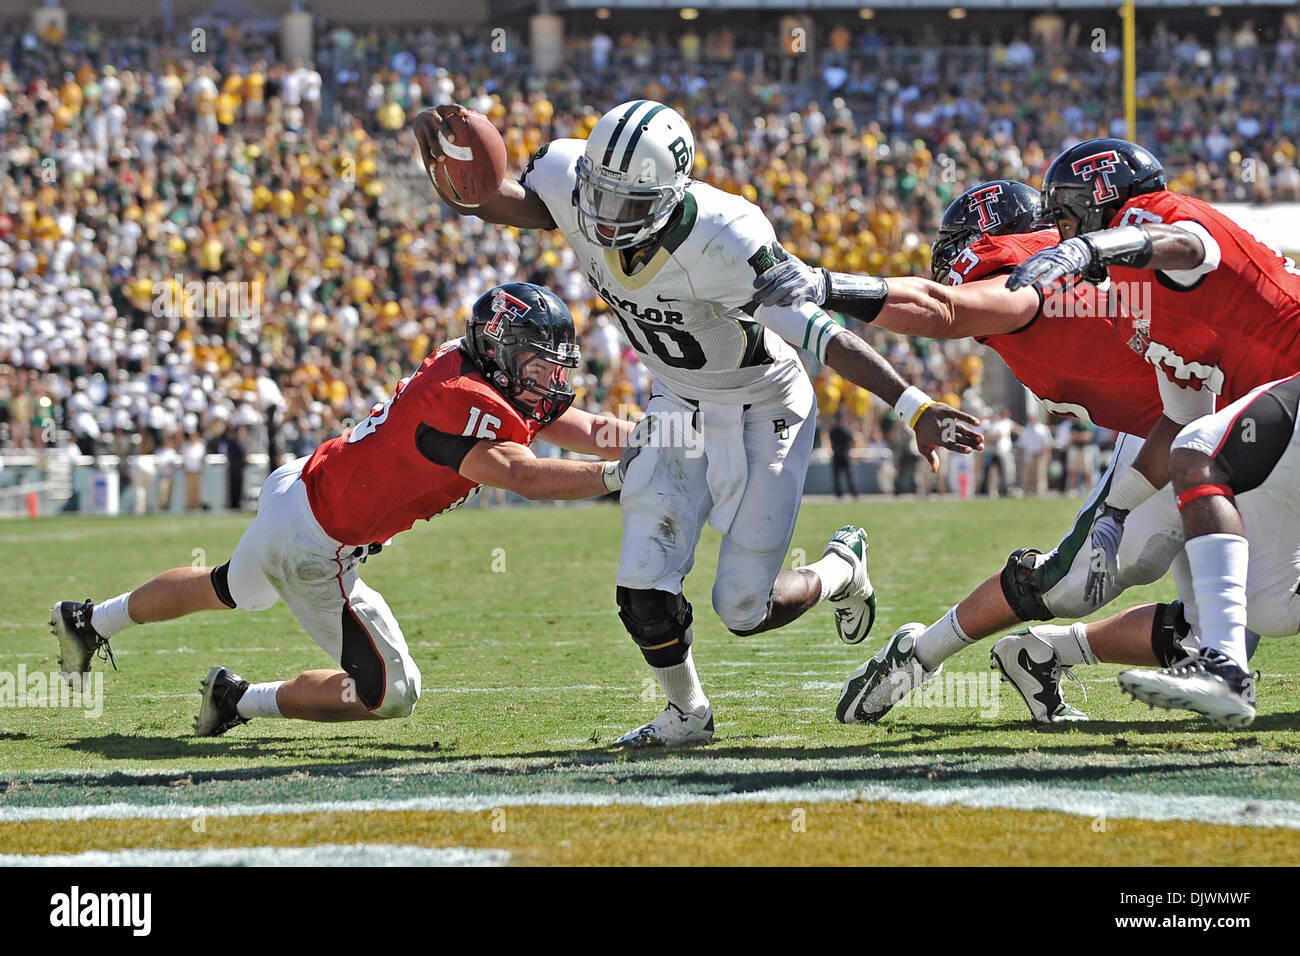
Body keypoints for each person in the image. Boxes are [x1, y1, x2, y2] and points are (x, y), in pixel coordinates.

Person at [414, 101, 982, 746]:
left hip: (764, 406)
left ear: (668, 197)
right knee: (641, 586)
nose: (603, 216)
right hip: (677, 403)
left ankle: (839, 571)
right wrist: (459, 185)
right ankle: (688, 714)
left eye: (626, 203)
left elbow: (824, 335)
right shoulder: (573, 175)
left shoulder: (726, 237)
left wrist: (914, 405)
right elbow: (508, 203)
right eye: (597, 194)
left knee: (743, 607)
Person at [50, 284, 634, 737]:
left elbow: (573, 427)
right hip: (315, 546)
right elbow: (521, 476)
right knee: (393, 693)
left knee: (228, 586)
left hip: (300, 490)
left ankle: (91, 620)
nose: (549, 379)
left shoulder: (474, 368)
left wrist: (661, 439)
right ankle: (237, 698)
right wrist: (617, 476)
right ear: (501, 352)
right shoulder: (460, 401)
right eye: (537, 364)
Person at [751, 179, 1186, 723]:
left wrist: (826, 284)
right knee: (1089, 581)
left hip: (1196, 416)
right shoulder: (1054, 273)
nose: (950, 258)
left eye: (960, 242)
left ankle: (1038, 653)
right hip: (1180, 424)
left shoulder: (1030, 266)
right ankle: (928, 652)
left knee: (1229, 623)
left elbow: (941, 308)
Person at [1008, 137, 1300, 726]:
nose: (1058, 229)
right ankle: (1226, 660)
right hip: (1285, 424)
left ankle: (1222, 667)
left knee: (1202, 456)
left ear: (1101, 201)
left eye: (1066, 211)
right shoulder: (1136, 300)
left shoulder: (1164, 219)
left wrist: (1091, 247)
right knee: (1269, 605)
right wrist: (1114, 511)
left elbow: (1184, 244)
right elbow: (1180, 419)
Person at [828, 408, 857, 499]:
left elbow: (831, 441)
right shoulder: (846, 429)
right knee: (849, 475)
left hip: (836, 453)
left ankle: (838, 493)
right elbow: (852, 441)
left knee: (837, 476)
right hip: (845, 453)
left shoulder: (833, 429)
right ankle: (853, 492)